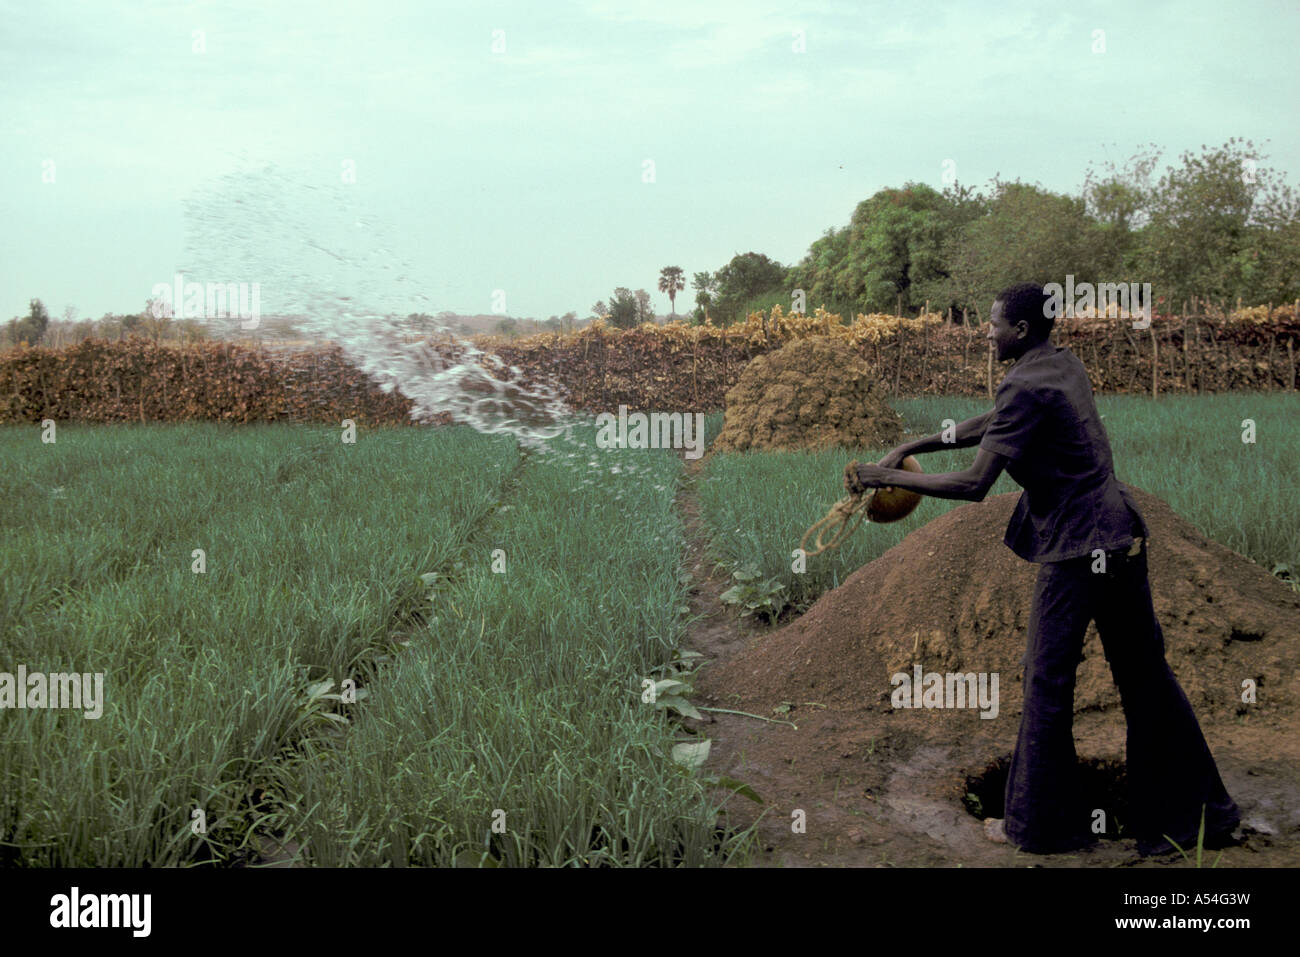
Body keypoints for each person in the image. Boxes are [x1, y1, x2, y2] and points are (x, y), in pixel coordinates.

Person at [844, 281, 1241, 856]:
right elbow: (995, 420)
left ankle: (1040, 827)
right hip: (1120, 535)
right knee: (1146, 677)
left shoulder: (1025, 384)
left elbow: (975, 484)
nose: (987, 333)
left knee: (1047, 680)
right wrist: (914, 445)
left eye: (994, 324)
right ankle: (1199, 818)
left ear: (1021, 329)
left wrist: (886, 477)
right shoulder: (1059, 364)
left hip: (1080, 547)